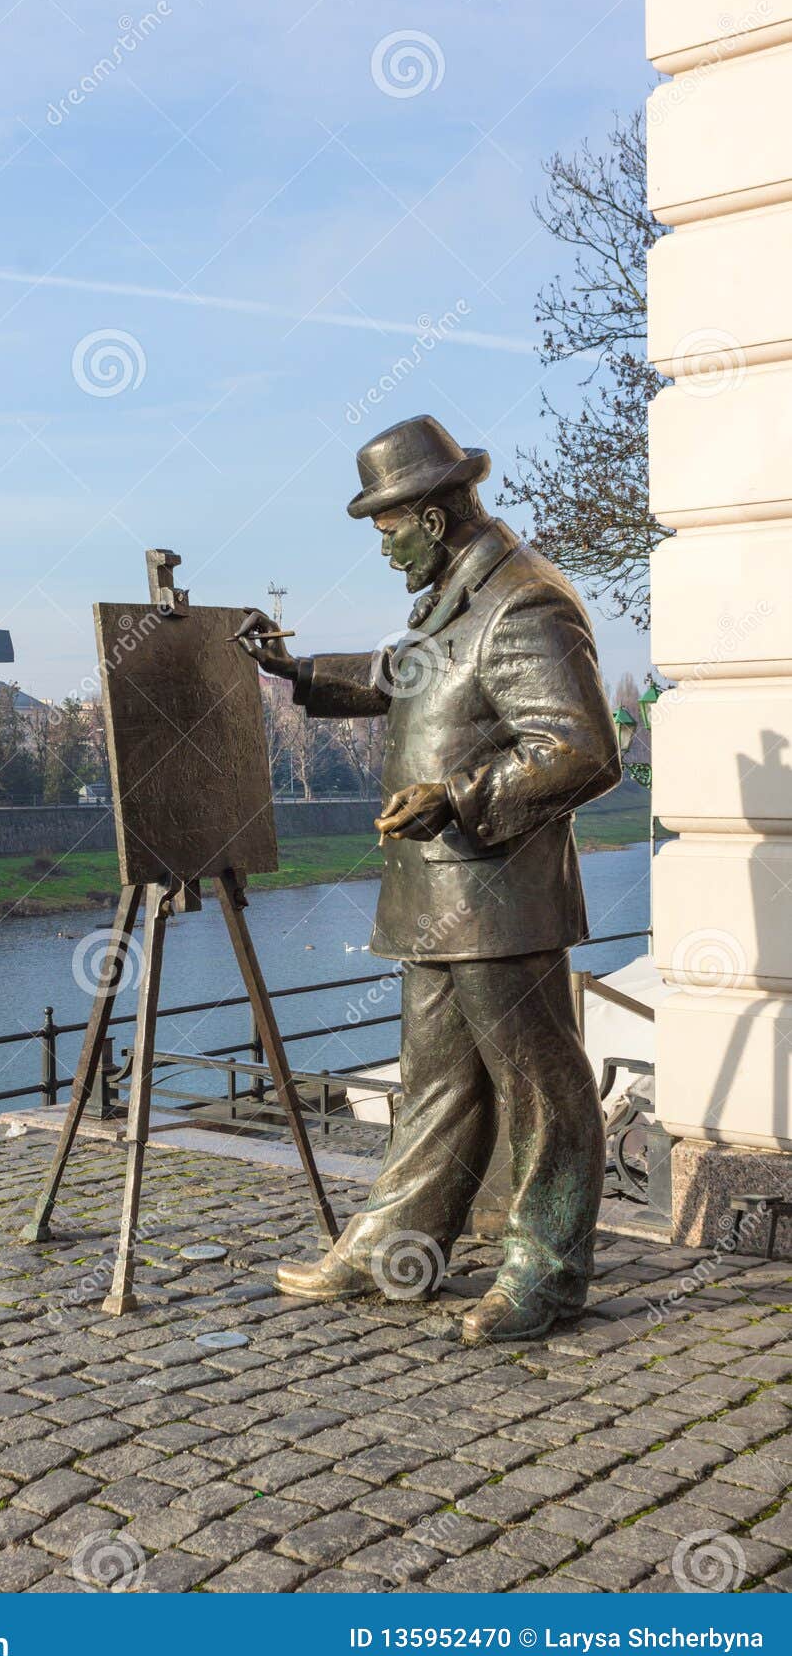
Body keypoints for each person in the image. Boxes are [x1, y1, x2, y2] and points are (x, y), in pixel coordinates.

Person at [242, 415, 621, 1343]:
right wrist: (296, 673)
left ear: (435, 517)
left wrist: (455, 795)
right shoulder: (457, 595)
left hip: (500, 898)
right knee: (436, 1081)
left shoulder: (524, 601)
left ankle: (545, 1272)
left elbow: (580, 750)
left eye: (386, 528)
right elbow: (398, 677)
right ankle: (396, 1248)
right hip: (436, 900)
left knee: (539, 1086)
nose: (383, 548)